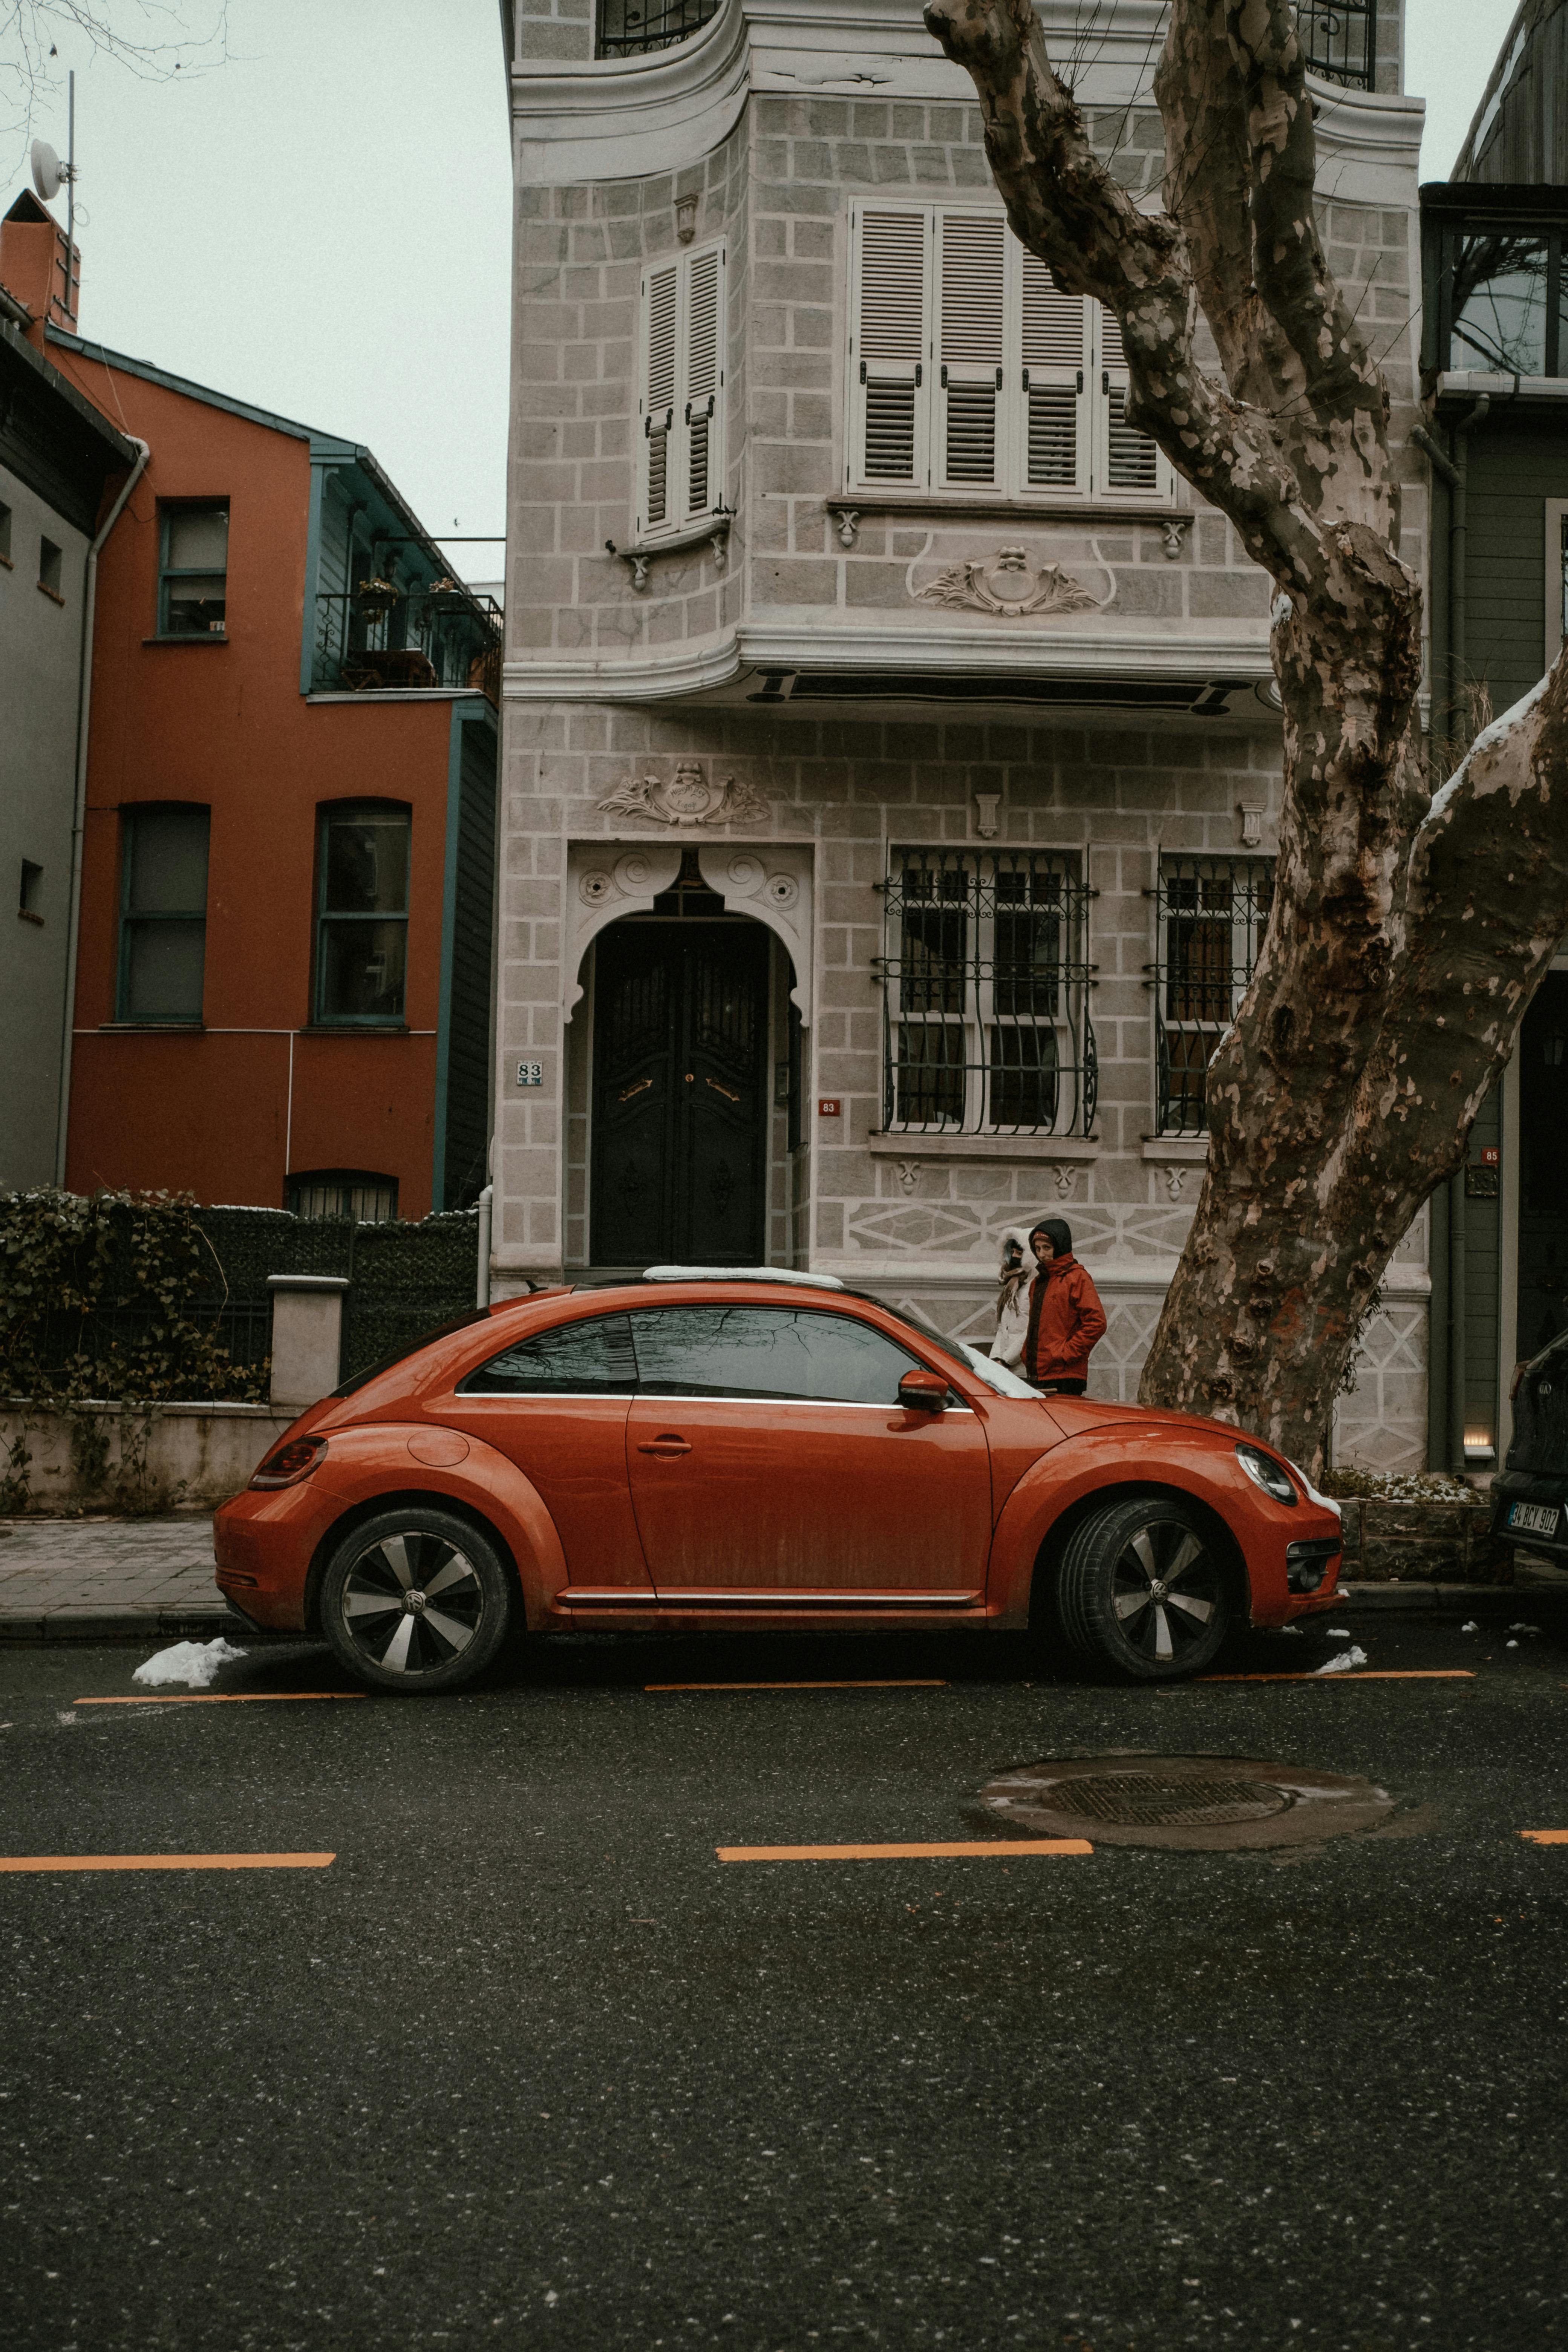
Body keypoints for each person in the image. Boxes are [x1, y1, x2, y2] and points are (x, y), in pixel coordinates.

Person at [991, 1216, 1107, 1397]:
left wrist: (1065, 1354)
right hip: (1038, 1373)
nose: (1042, 1254)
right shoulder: (1040, 1282)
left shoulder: (1077, 1278)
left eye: (1047, 1248)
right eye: (1037, 1249)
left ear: (1060, 1246)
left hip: (1066, 1375)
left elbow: (1096, 1323)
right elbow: (1034, 1327)